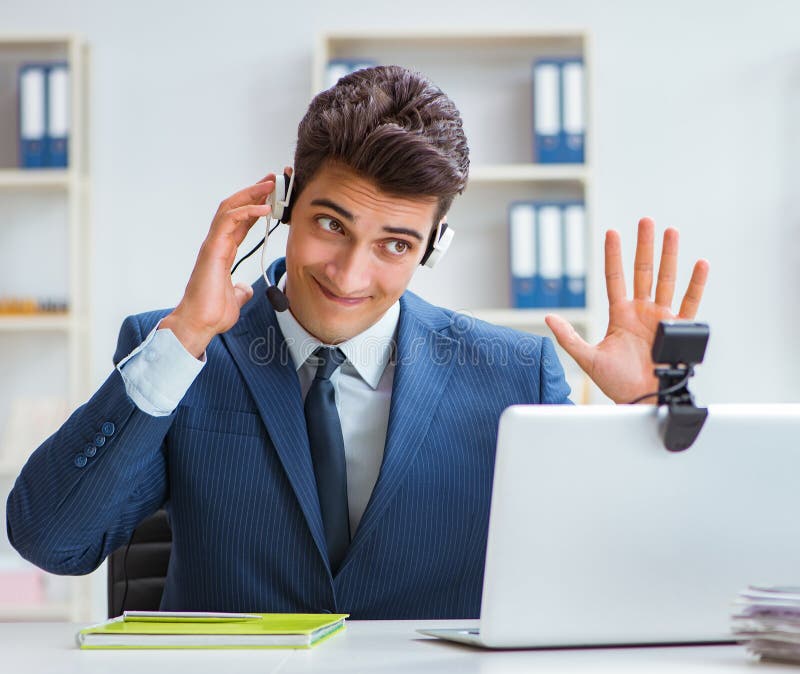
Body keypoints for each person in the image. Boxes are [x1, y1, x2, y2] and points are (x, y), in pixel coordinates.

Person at [6, 65, 708, 619]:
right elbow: (52, 540)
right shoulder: (178, 354)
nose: (349, 274)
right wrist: (185, 338)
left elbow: (620, 571)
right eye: (331, 224)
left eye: (394, 244)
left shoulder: (513, 376)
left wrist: (645, 417)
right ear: (283, 203)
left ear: (431, 247)